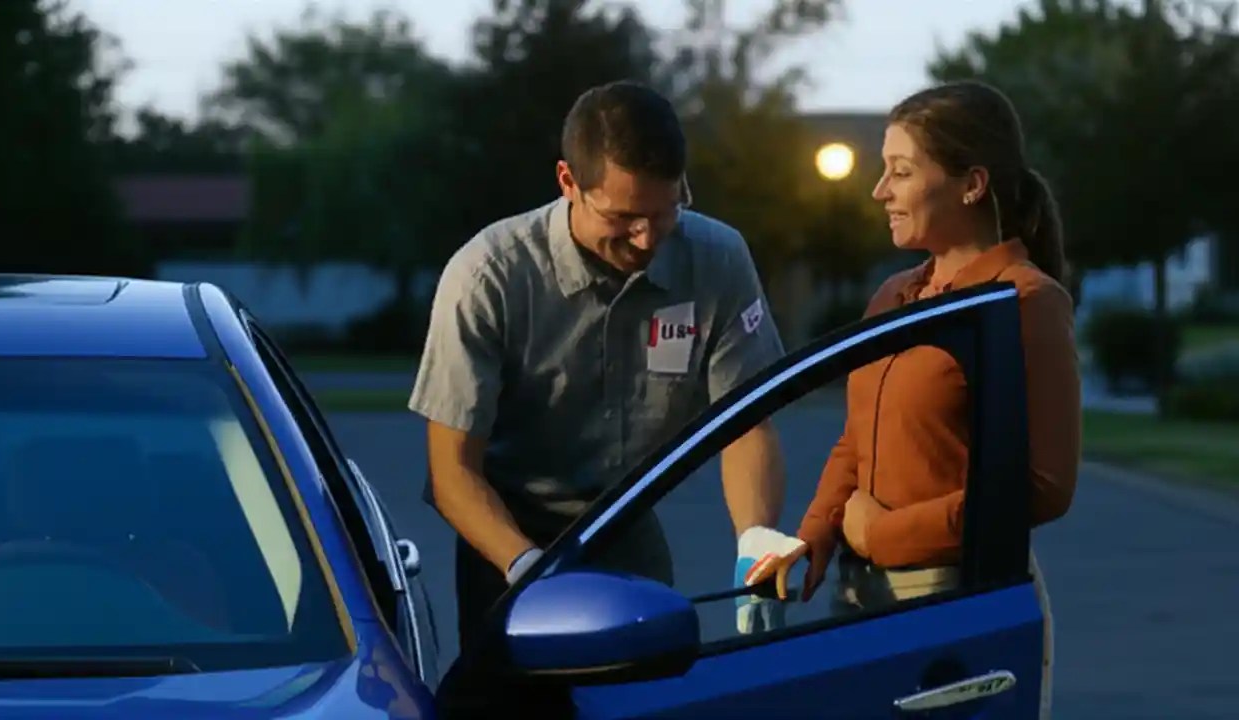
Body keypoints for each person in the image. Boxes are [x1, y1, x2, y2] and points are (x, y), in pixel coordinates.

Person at [407, 79, 801, 665]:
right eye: (623, 217)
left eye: (666, 212)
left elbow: (745, 421)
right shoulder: (488, 275)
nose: (647, 239)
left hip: (629, 521)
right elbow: (453, 474)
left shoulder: (717, 260)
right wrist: (527, 569)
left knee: (656, 688)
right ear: (568, 182)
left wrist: (756, 536)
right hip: (509, 535)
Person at [794, 80, 1079, 718]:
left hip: (957, 598)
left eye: (900, 171)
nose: (879, 191)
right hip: (856, 587)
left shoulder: (1024, 302)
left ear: (971, 184)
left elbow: (1043, 485)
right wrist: (815, 532)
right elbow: (856, 434)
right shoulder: (896, 294)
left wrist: (887, 534)